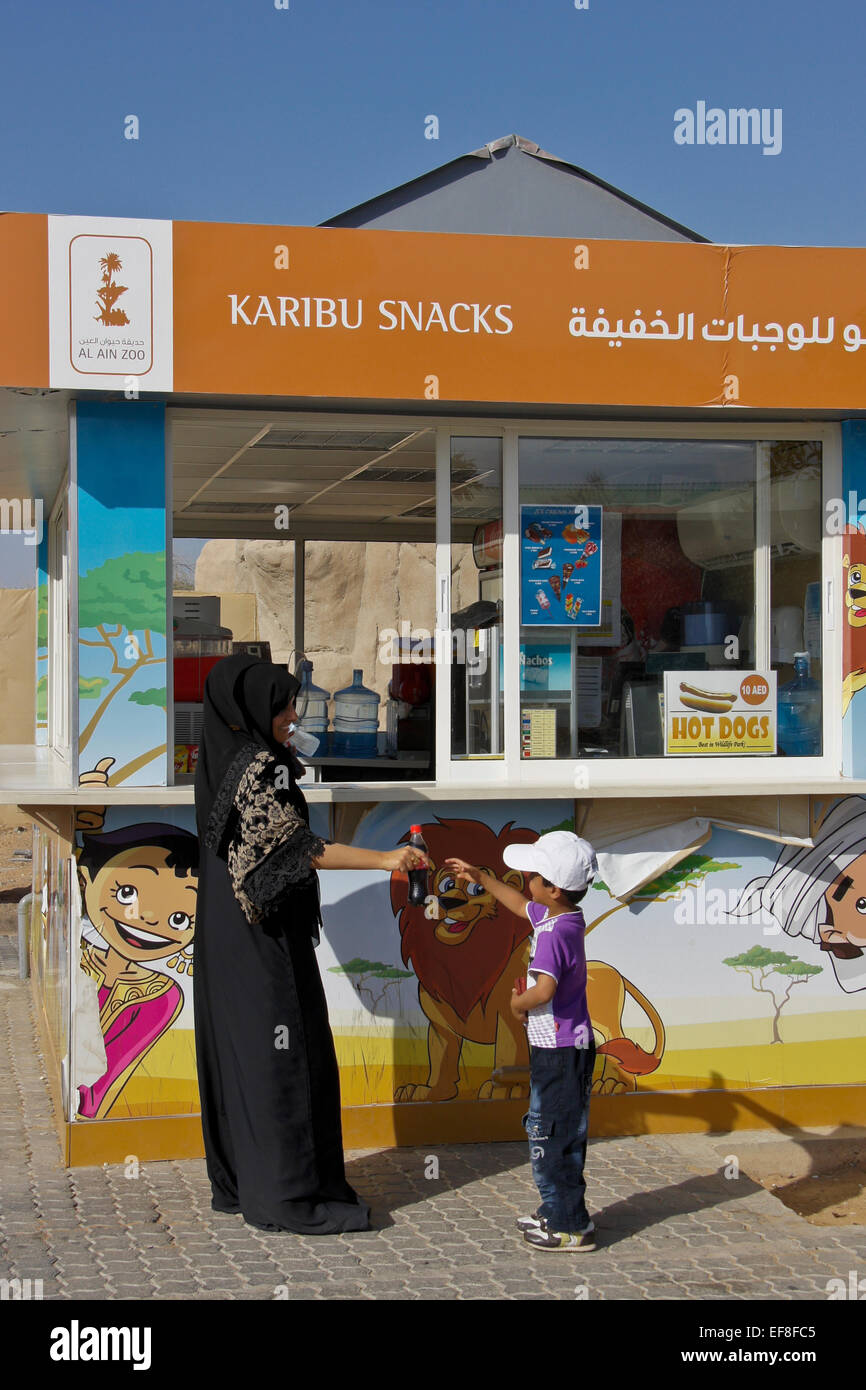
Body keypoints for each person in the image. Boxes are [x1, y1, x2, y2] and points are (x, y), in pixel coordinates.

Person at [193, 654, 427, 1234]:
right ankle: (288, 1195)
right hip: (261, 928)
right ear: (251, 709)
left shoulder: (226, 755)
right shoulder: (257, 767)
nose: (293, 714)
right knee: (284, 1052)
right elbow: (301, 851)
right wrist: (387, 859)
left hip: (228, 927)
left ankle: (247, 1184)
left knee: (246, 1051)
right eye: (282, 706)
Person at [444, 830, 598, 1252]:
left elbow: (544, 990)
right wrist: (481, 878)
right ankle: (557, 1209)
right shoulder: (564, 917)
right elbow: (516, 904)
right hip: (568, 1048)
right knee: (559, 1129)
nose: (525, 880)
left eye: (532, 875)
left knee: (551, 1135)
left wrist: (516, 1006)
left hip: (559, 1052)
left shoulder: (550, 935)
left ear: (552, 888)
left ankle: (567, 1224)